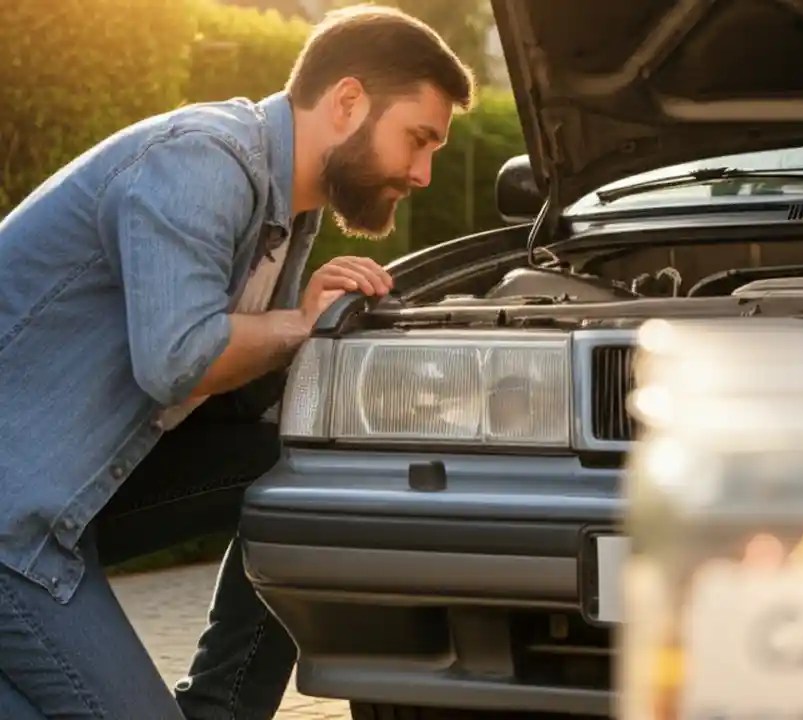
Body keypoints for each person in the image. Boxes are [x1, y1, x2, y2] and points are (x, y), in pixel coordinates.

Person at [0, 4, 474, 718]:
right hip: (16, 519)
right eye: (418, 139)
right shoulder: (202, 161)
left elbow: (235, 396)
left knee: (297, 474)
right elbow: (178, 361)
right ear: (348, 102)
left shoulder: (291, 212)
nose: (424, 173)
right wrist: (300, 321)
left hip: (65, 493)